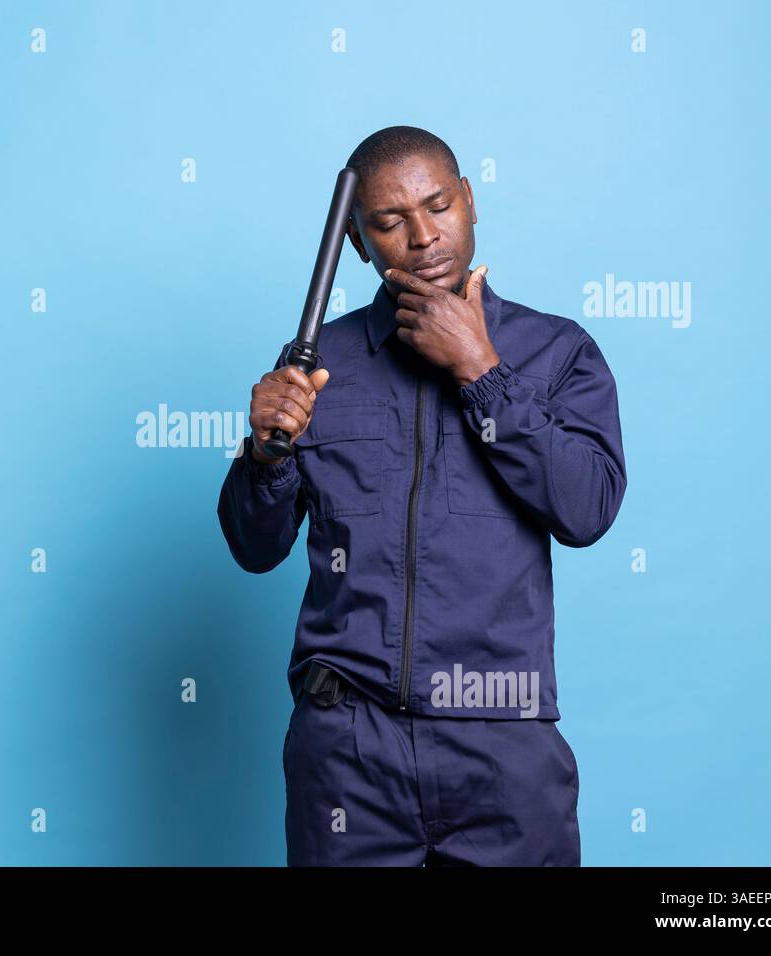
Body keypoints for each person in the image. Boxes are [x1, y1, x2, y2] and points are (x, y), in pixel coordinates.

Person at [216, 126, 627, 866]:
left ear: (470, 199)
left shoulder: (558, 352)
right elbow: (254, 547)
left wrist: (481, 370)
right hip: (348, 756)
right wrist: (264, 452)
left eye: (439, 205)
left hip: (504, 746)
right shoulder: (319, 363)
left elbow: (588, 508)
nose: (423, 236)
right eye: (388, 221)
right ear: (355, 240)